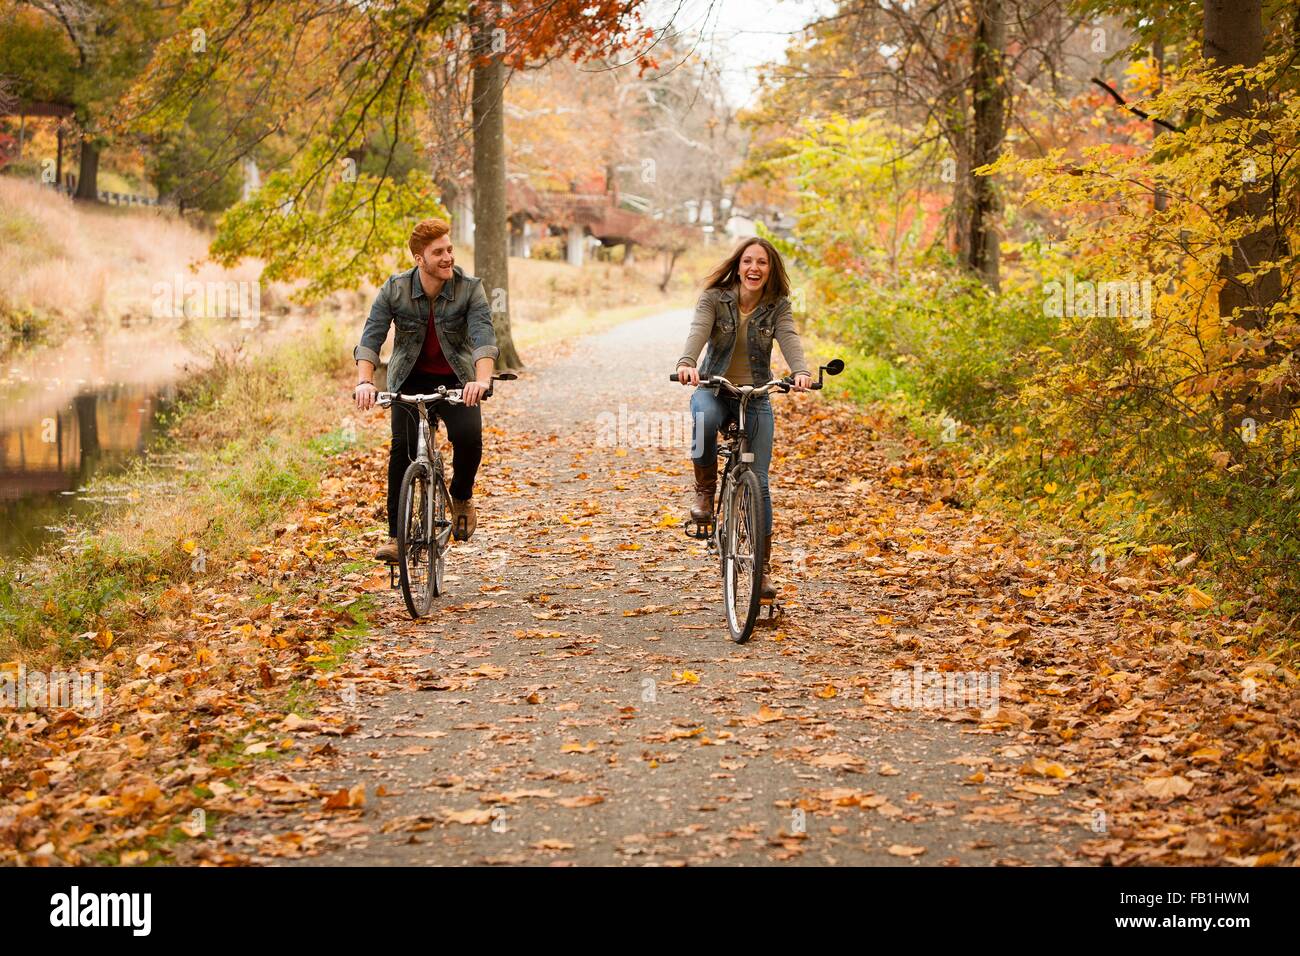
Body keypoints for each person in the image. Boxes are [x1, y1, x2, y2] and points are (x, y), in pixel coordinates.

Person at [353, 218, 499, 561]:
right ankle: (395, 537)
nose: (448, 257)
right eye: (439, 252)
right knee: (402, 450)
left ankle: (461, 496)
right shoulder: (396, 289)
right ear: (420, 258)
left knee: (468, 438)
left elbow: (483, 336)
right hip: (409, 378)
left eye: (449, 249)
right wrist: (364, 381)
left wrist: (481, 380)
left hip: (458, 379)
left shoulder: (469, 288)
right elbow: (372, 335)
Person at [675, 237, 811, 598]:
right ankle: (704, 494)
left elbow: (790, 339)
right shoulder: (714, 298)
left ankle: (761, 570)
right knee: (703, 420)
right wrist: (687, 363)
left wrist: (800, 371)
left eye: (762, 263)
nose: (754, 268)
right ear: (738, 265)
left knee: (760, 483)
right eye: (748, 261)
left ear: (770, 270)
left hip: (755, 396)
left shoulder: (778, 306)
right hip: (714, 387)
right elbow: (698, 332)